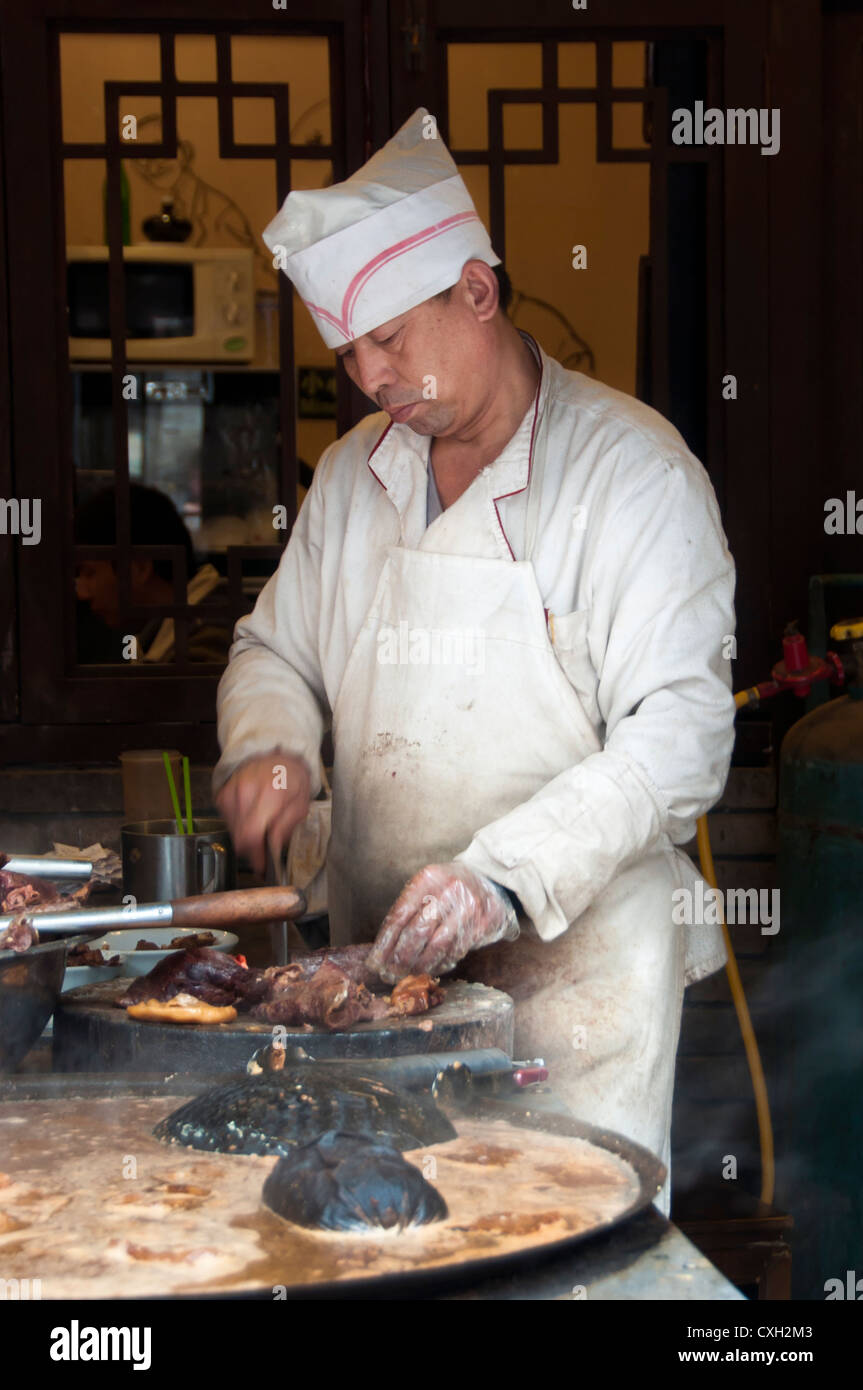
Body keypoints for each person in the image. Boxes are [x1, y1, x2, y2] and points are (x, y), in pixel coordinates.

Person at [213, 108, 736, 1210]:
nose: (369, 376)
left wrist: (496, 879)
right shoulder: (356, 477)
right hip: (378, 991)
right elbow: (274, 645)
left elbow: (678, 738)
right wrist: (272, 744)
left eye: (390, 339)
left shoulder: (633, 477)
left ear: (476, 291)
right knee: (383, 1252)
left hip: (576, 989)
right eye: (349, 351)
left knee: (554, 1257)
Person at [75, 483, 230, 664]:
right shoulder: (157, 634)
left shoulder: (205, 644)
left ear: (139, 569)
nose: (82, 593)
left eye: (89, 573)